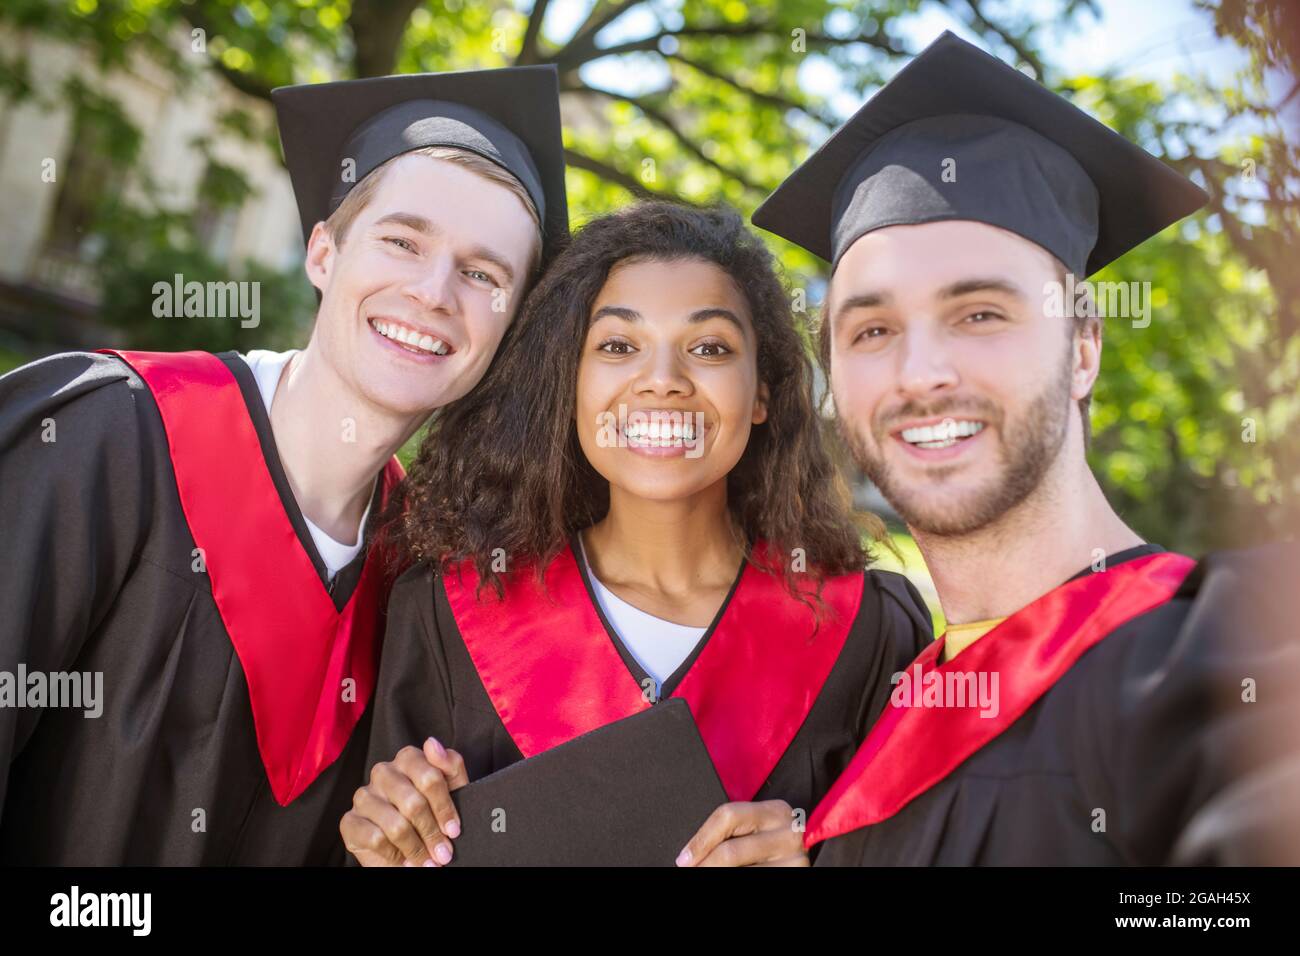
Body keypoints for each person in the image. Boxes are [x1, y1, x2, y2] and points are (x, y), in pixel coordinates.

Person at [751, 30, 1300, 865]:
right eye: (872, 329)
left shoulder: (1225, 661)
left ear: (1083, 350)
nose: (921, 371)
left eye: (980, 313)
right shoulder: (868, 739)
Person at [0, 65, 567, 864]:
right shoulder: (111, 436)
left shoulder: (421, 582)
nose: (435, 291)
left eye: (483, 274)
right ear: (323, 252)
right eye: (402, 241)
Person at [339, 200, 933, 867]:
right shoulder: (448, 616)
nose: (661, 381)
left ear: (762, 391)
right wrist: (385, 840)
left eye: (709, 348)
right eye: (619, 346)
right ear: (572, 383)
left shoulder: (869, 630)